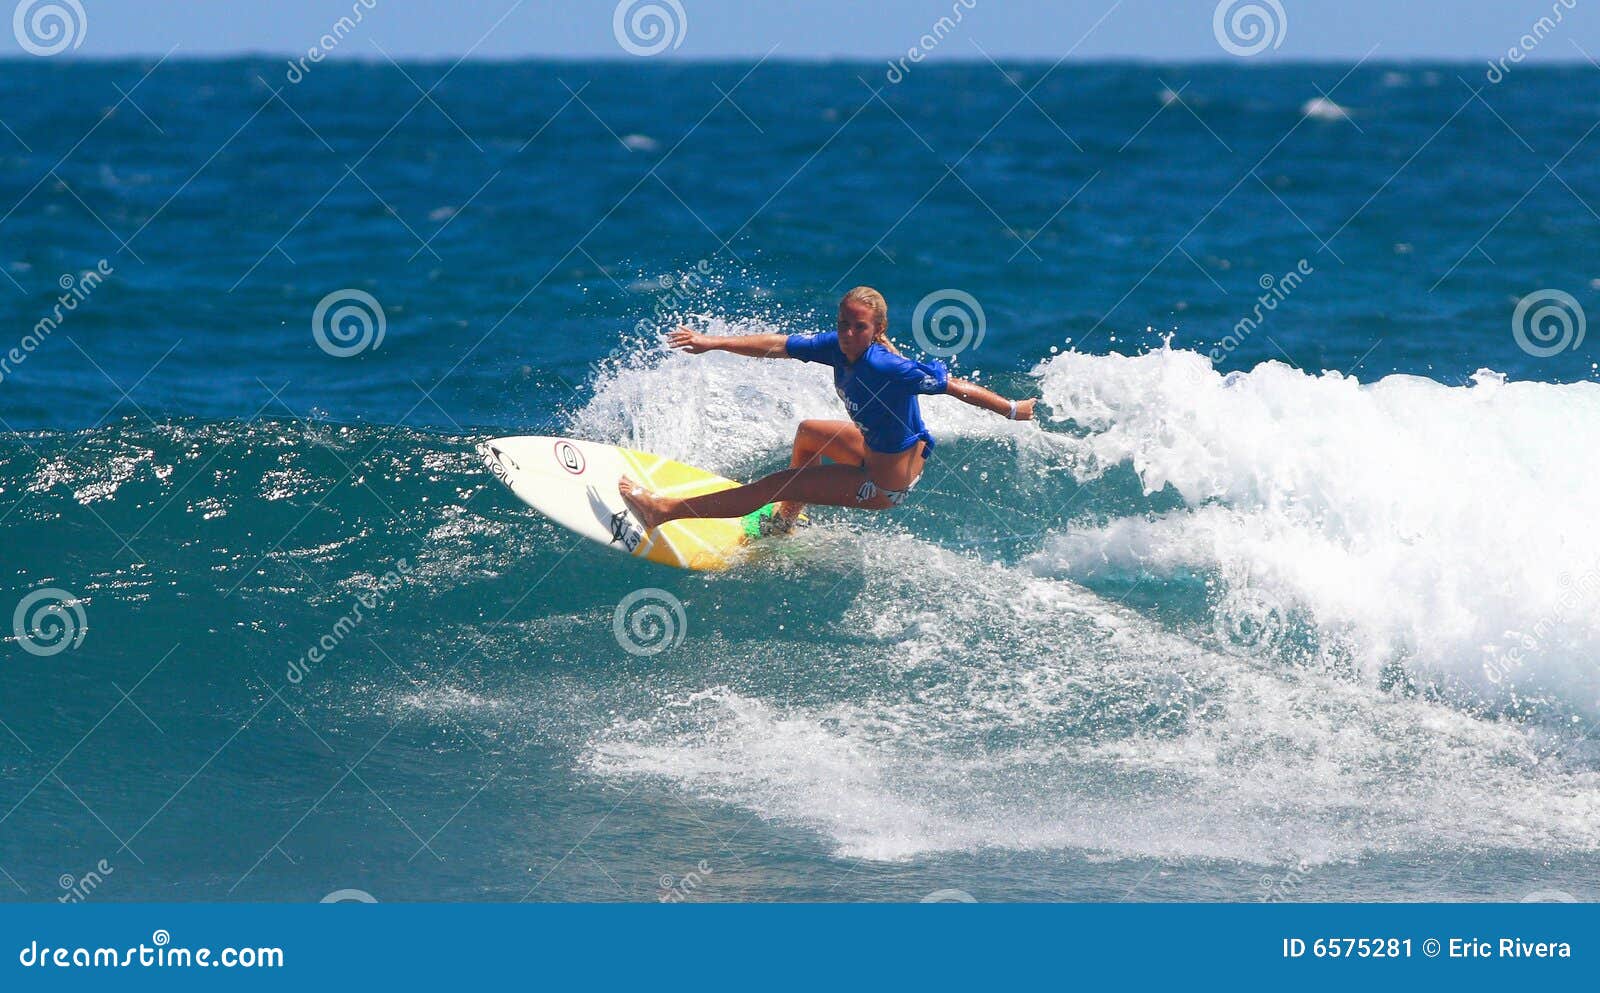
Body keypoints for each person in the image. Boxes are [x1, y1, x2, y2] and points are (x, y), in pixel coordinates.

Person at [619, 285, 1036, 531]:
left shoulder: (887, 365)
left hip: (886, 483)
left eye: (860, 327)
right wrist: (713, 343)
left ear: (877, 331)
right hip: (877, 453)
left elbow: (953, 386)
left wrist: (1012, 410)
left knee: (778, 482)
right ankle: (786, 521)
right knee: (809, 433)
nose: (849, 333)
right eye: (844, 323)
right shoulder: (836, 348)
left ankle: (663, 512)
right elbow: (776, 345)